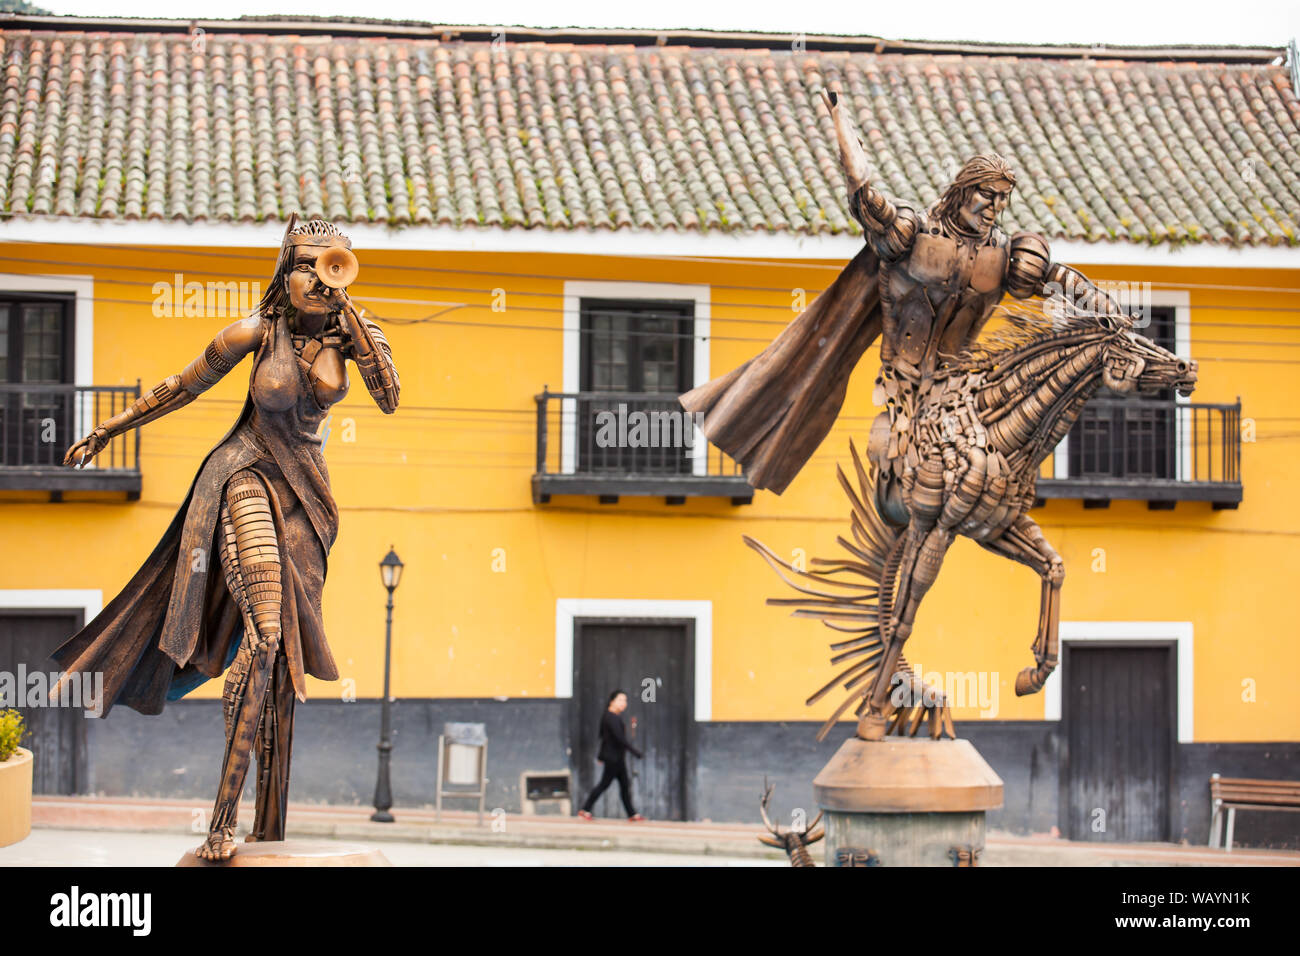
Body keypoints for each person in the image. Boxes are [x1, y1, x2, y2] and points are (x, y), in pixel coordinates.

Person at [50, 216, 400, 861]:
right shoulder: (254, 332)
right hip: (243, 475)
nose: (317, 277)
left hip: (309, 498)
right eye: (306, 264)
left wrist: (351, 316)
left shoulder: (356, 334)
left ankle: (269, 825)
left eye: (331, 264)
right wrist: (107, 430)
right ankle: (221, 822)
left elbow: (390, 397)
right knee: (265, 635)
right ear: (283, 272)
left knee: (284, 653)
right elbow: (181, 387)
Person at [577, 689, 645, 822]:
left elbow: (604, 737)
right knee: (604, 784)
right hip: (613, 758)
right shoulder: (610, 717)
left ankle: (632, 814)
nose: (623, 703)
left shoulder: (611, 717)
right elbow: (618, 739)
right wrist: (635, 752)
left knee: (624, 785)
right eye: (620, 700)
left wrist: (600, 756)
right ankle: (585, 809)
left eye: (625, 700)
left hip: (617, 758)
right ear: (612, 701)